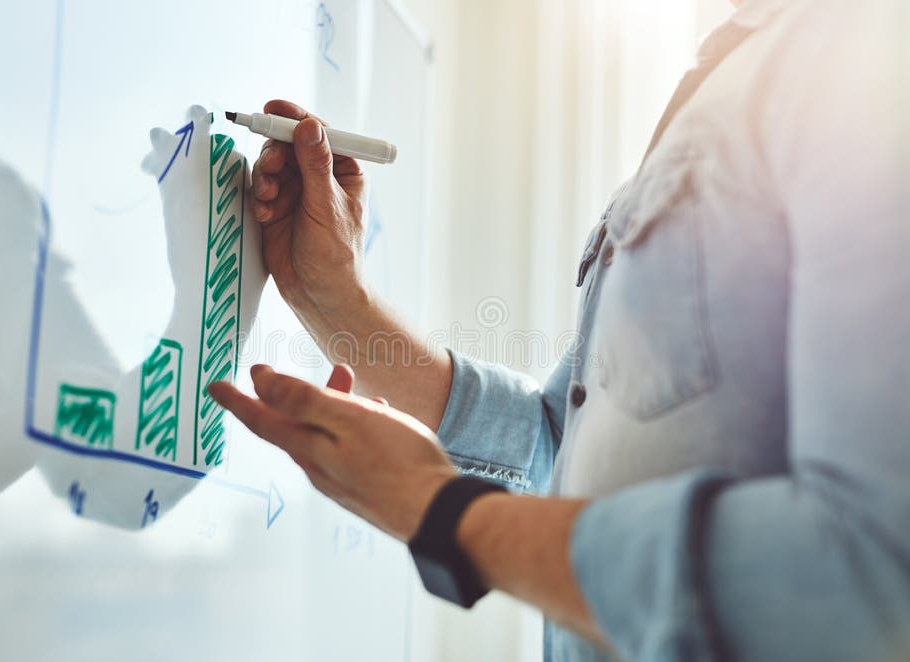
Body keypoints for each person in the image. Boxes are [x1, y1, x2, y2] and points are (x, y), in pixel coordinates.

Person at [208, 1, 910, 660]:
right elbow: (556, 444)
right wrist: (335, 302)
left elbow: (874, 579)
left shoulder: (866, 63)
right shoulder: (728, 73)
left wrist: (445, 513)